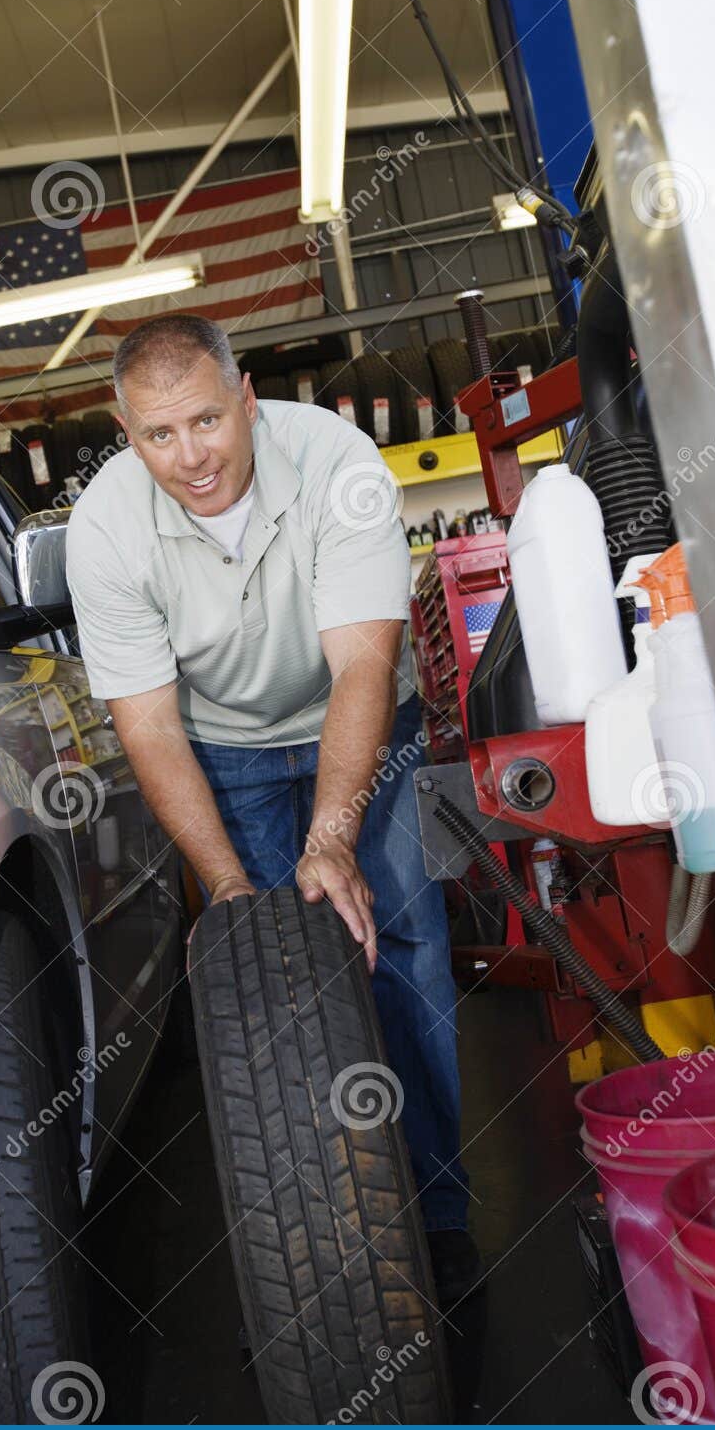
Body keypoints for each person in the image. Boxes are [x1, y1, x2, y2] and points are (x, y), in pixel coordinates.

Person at [65, 313, 477, 1301]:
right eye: (159, 434)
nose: (190, 455)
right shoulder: (105, 527)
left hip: (363, 719)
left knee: (400, 949)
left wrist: (333, 835)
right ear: (126, 432)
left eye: (207, 420)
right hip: (227, 749)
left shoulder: (337, 461)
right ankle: (313, 1249)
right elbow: (152, 730)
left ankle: (442, 1215)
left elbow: (363, 661)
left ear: (246, 400)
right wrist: (225, 885)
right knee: (269, 975)